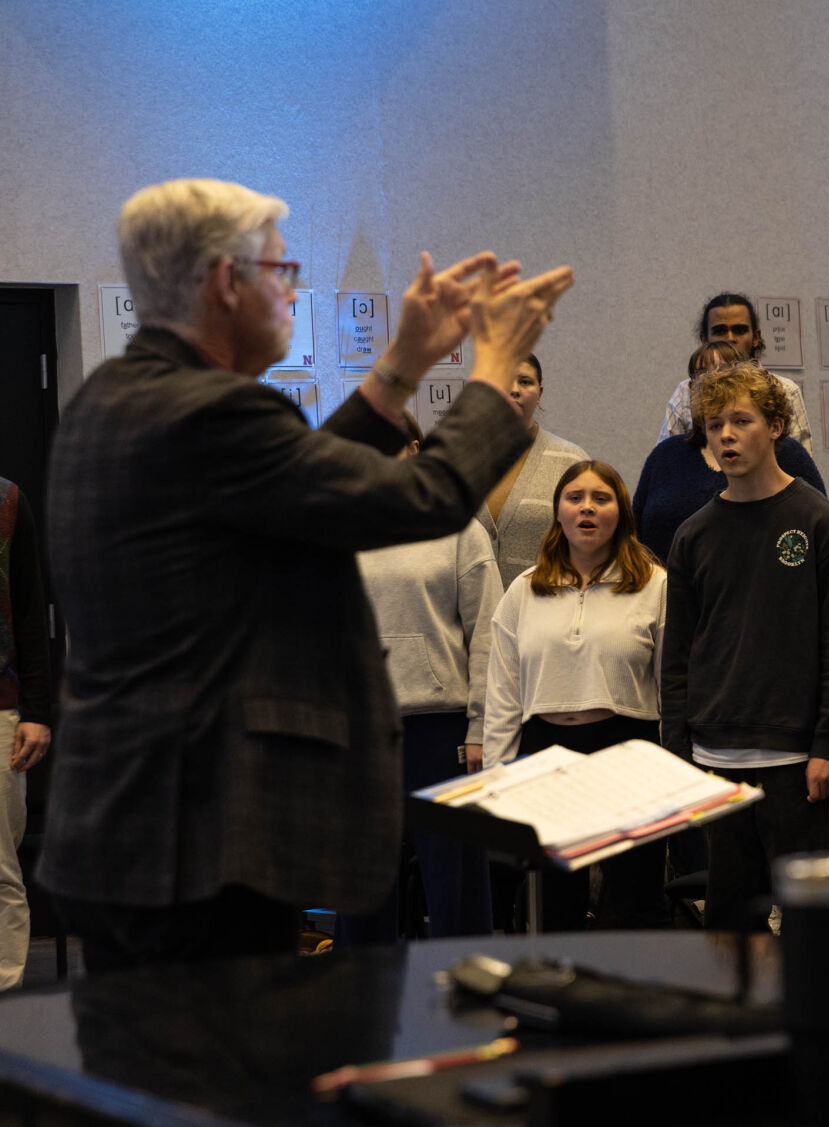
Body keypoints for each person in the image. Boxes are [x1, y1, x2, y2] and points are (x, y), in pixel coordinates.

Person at [40, 178, 573, 971]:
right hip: (203, 836)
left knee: (164, 1075)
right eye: (281, 272)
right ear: (227, 282)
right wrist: (492, 372)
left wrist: (401, 363)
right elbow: (420, 494)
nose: (290, 290)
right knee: (226, 1079)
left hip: (135, 825)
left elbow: (301, 486)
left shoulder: (113, 397)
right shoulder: (212, 414)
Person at [661, 362, 829, 933]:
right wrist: (679, 750)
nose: (725, 435)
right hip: (716, 756)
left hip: (797, 757)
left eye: (740, 421)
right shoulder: (694, 533)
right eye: (714, 423)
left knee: (812, 922)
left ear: (775, 427)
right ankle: (739, 1024)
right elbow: (677, 655)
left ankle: (817, 1021)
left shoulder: (818, 521)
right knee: (728, 921)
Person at [339, 412, 505, 942]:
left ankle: (466, 1003)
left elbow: (489, 639)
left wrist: (481, 729)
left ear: (415, 449)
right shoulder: (335, 532)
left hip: (442, 733)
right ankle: (363, 1007)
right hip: (362, 733)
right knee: (365, 888)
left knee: (455, 888)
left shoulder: (458, 528)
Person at [484, 460, 670, 928]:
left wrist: (676, 768)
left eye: (601, 498)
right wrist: (495, 778)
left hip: (630, 748)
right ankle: (560, 996)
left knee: (633, 898)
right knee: (554, 900)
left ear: (621, 514)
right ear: (559, 514)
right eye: (575, 498)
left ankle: (629, 995)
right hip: (545, 754)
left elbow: (673, 685)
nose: (587, 508)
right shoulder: (524, 591)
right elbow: (504, 693)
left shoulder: (655, 585)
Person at [635, 341, 824, 563]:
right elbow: (634, 530)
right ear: (691, 388)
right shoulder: (666, 456)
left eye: (741, 421)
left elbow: (817, 535)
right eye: (703, 374)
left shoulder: (788, 456)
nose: (714, 381)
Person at [474, 350, 590, 588]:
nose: (514, 389)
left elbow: (590, 548)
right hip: (467, 619)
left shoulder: (571, 462)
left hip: (546, 610)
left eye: (525, 382)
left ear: (539, 393)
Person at [0, 477, 49, 991]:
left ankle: (4, 993)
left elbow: (32, 610)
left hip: (2, 708)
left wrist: (37, 711)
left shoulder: (7, 500)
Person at [658, 293, 812, 451]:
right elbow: (665, 459)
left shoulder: (785, 390)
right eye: (720, 331)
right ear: (704, 340)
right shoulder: (686, 392)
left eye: (739, 330)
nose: (730, 338)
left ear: (756, 337)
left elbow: (799, 461)